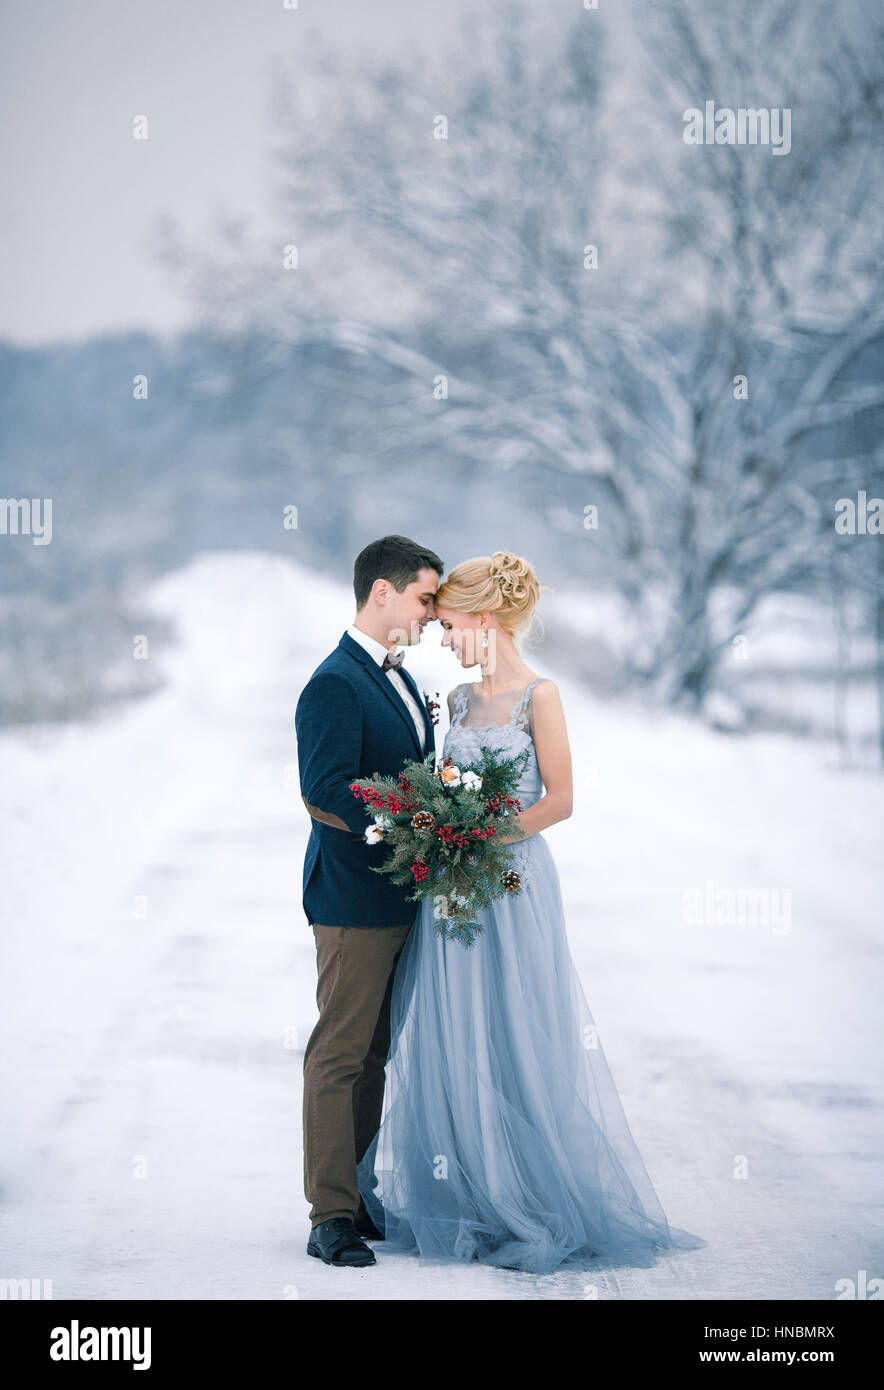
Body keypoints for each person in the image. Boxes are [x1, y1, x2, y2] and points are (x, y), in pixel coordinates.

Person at [355, 551, 707, 1273]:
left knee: (513, 1023)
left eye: (451, 626)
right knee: (456, 1029)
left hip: (511, 882)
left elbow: (560, 800)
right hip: (454, 890)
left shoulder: (539, 696)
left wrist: (478, 836)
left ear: (485, 620)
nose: (444, 639)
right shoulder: (455, 702)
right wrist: (438, 834)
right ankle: (469, 1192)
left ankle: (526, 1194)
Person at [295, 534, 443, 1267]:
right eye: (425, 598)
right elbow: (323, 792)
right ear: (381, 592)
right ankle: (328, 1217)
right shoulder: (335, 681)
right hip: (352, 898)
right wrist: (406, 828)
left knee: (375, 1055)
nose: (432, 613)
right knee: (339, 1054)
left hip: (400, 898)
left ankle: (357, 1192)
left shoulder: (405, 681)